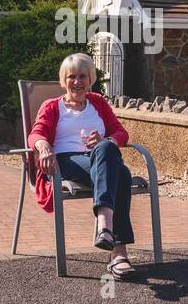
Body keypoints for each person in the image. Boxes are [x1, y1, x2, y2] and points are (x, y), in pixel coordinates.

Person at [28, 53, 138, 280]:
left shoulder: (98, 102)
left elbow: (121, 132)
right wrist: (44, 147)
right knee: (123, 175)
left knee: (109, 151)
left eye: (82, 76)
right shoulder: (52, 106)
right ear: (63, 80)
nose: (77, 82)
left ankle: (105, 230)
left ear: (91, 79)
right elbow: (36, 133)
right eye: (71, 77)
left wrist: (107, 141)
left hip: (98, 160)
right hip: (65, 161)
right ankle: (118, 252)